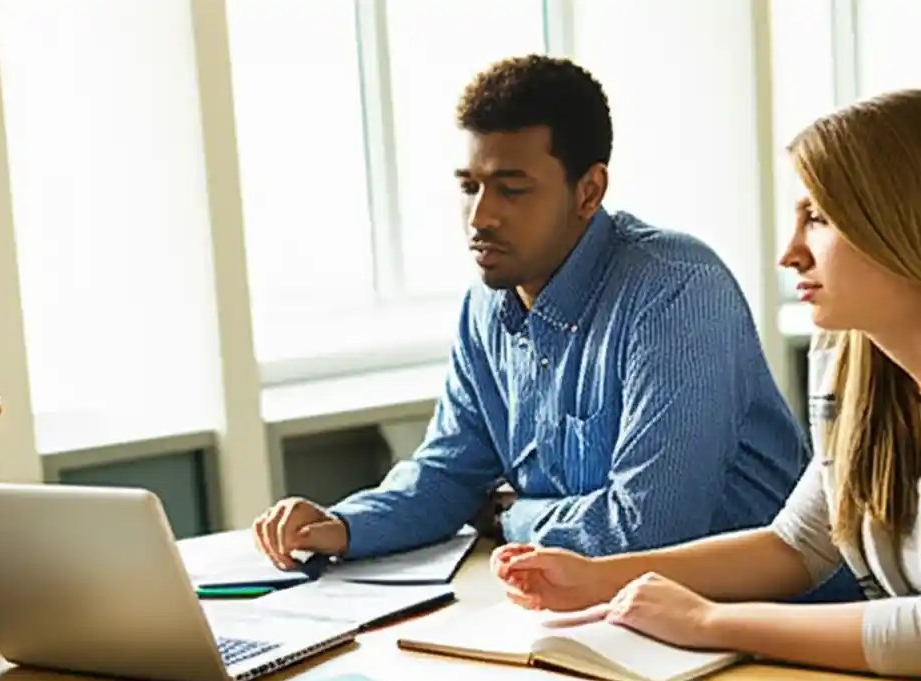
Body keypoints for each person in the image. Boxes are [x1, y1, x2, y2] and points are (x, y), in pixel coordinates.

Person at [253, 55, 810, 570]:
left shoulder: (676, 292)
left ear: (589, 191)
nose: (480, 217)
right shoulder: (486, 305)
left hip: (771, 626)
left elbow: (650, 531)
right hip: (617, 618)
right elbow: (448, 473)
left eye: (511, 189)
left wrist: (510, 517)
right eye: (469, 187)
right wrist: (343, 525)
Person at [495, 89, 921, 677]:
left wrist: (707, 622)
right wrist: (597, 579)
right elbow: (796, 545)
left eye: (817, 219)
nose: (789, 254)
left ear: (903, 224)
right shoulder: (849, 357)